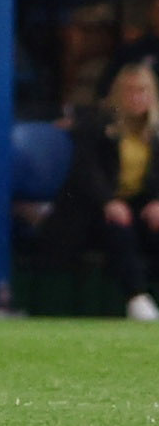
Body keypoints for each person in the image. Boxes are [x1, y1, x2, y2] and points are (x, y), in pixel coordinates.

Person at [50, 62, 159, 320]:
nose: (136, 97)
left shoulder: (156, 133)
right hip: (95, 210)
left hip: (140, 205)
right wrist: (108, 201)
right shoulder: (96, 126)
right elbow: (87, 172)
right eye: (130, 91)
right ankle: (137, 297)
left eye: (142, 91)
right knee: (118, 227)